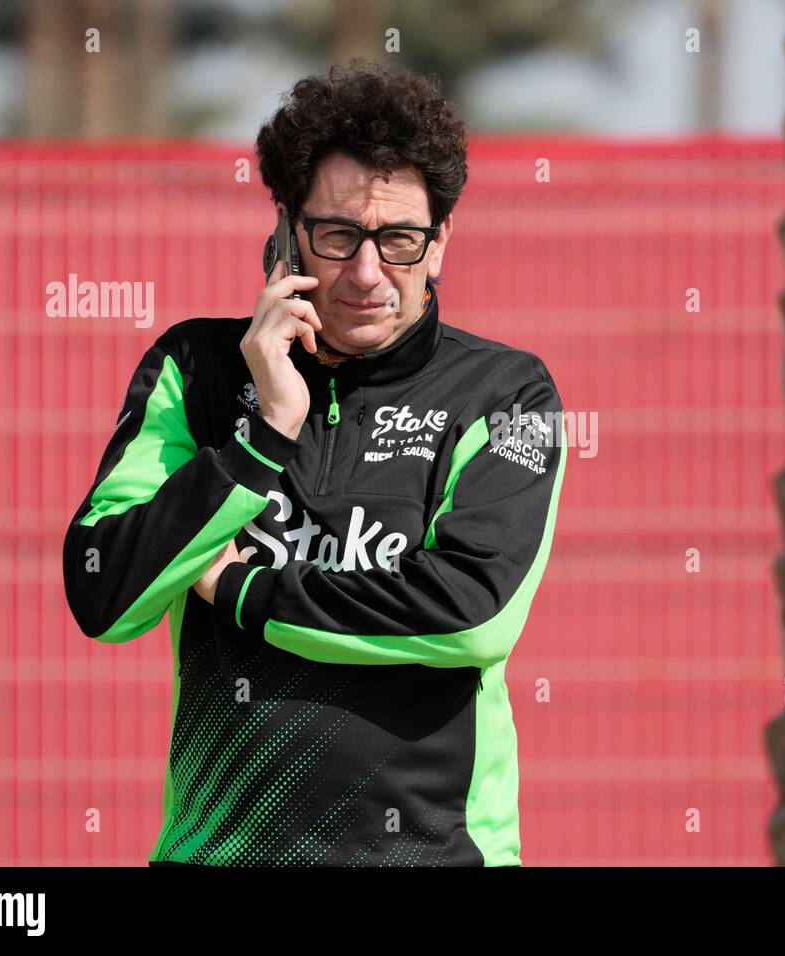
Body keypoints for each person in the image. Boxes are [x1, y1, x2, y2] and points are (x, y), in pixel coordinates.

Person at [61, 59, 567, 866]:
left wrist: (239, 588)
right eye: (337, 236)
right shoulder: (196, 370)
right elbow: (104, 595)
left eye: (400, 240)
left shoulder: (507, 391)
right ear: (285, 233)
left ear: (440, 244)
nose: (368, 275)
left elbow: (471, 614)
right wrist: (266, 432)